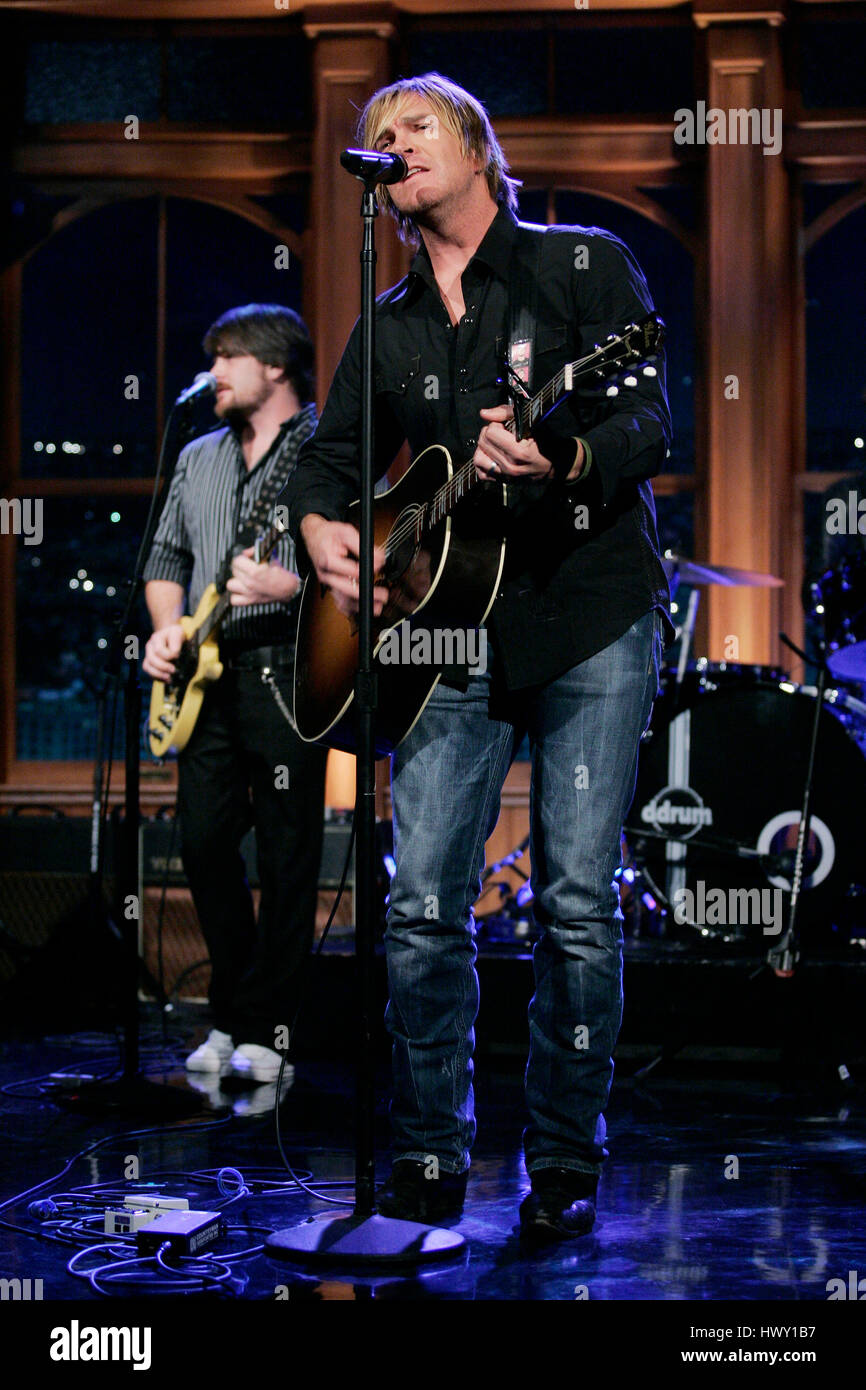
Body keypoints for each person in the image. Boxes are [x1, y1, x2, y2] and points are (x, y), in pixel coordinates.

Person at [280, 73, 672, 1241]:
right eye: (375, 139)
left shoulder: (579, 268)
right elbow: (321, 464)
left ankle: (560, 1160)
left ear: (476, 150)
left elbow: (648, 420)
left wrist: (560, 464)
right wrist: (323, 531)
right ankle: (428, 1156)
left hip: (588, 617)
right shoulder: (390, 321)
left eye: (415, 130)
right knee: (417, 906)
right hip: (447, 633)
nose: (392, 146)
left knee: (569, 902)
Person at [142, 304, 328, 1088]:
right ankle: (232, 1011)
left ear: (276, 366)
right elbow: (166, 555)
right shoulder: (196, 455)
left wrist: (296, 583)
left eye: (228, 357)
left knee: (289, 851)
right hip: (205, 674)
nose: (212, 372)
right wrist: (164, 629)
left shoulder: (323, 449)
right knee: (206, 842)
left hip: (287, 664)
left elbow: (378, 557)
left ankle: (271, 1026)